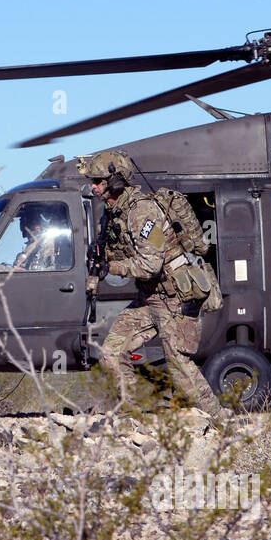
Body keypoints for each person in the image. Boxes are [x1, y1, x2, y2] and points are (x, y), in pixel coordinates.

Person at [80, 150, 220, 415]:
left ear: (115, 182)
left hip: (174, 299)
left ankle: (220, 421)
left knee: (180, 369)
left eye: (98, 181)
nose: (94, 187)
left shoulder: (142, 212)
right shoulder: (114, 213)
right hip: (149, 299)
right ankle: (129, 416)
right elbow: (112, 248)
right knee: (112, 353)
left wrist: (112, 267)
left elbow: (150, 265)